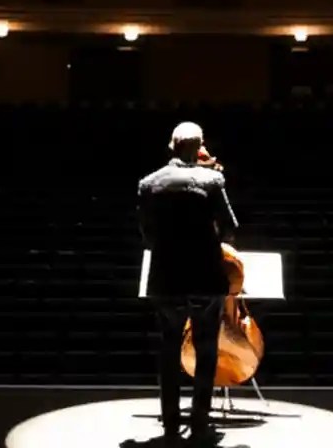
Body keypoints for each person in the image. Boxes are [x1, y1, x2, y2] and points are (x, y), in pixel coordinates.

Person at [137, 121, 238, 445]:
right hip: (205, 276)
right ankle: (199, 425)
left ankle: (169, 426)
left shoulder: (149, 183)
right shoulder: (213, 180)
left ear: (172, 145)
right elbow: (231, 227)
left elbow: (147, 236)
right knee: (206, 349)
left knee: (169, 348)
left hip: (166, 277)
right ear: (199, 146)